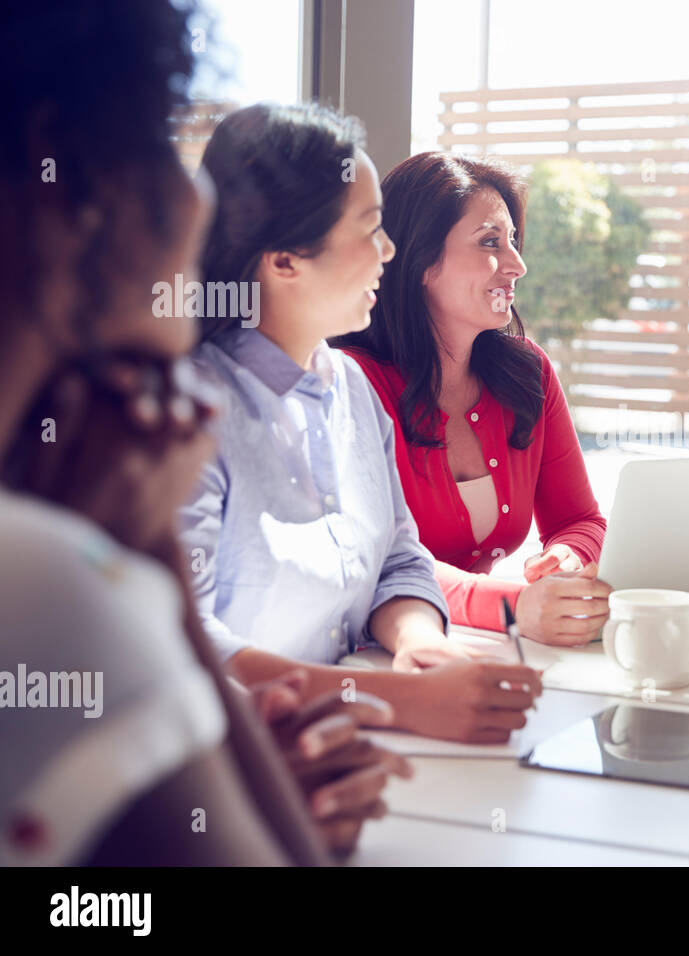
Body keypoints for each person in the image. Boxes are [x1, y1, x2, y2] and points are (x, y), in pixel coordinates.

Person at [0, 0, 408, 864]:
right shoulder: (41, 581)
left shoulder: (56, 532)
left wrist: (231, 778)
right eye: (160, 137)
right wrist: (145, 568)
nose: (200, 200)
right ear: (66, 177)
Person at [180, 104, 542, 742]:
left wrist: (421, 645)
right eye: (369, 228)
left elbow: (398, 562)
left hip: (348, 744)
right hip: (237, 758)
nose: (390, 251)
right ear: (286, 259)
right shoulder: (192, 412)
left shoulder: (350, 387)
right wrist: (399, 700)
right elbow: (186, 638)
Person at [334, 152, 611, 645]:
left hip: (484, 647)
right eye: (490, 243)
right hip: (382, 656)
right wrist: (512, 607)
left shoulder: (529, 374)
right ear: (420, 261)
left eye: (514, 242)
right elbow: (384, 563)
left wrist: (567, 558)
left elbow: (579, 520)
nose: (518, 265)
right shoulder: (354, 385)